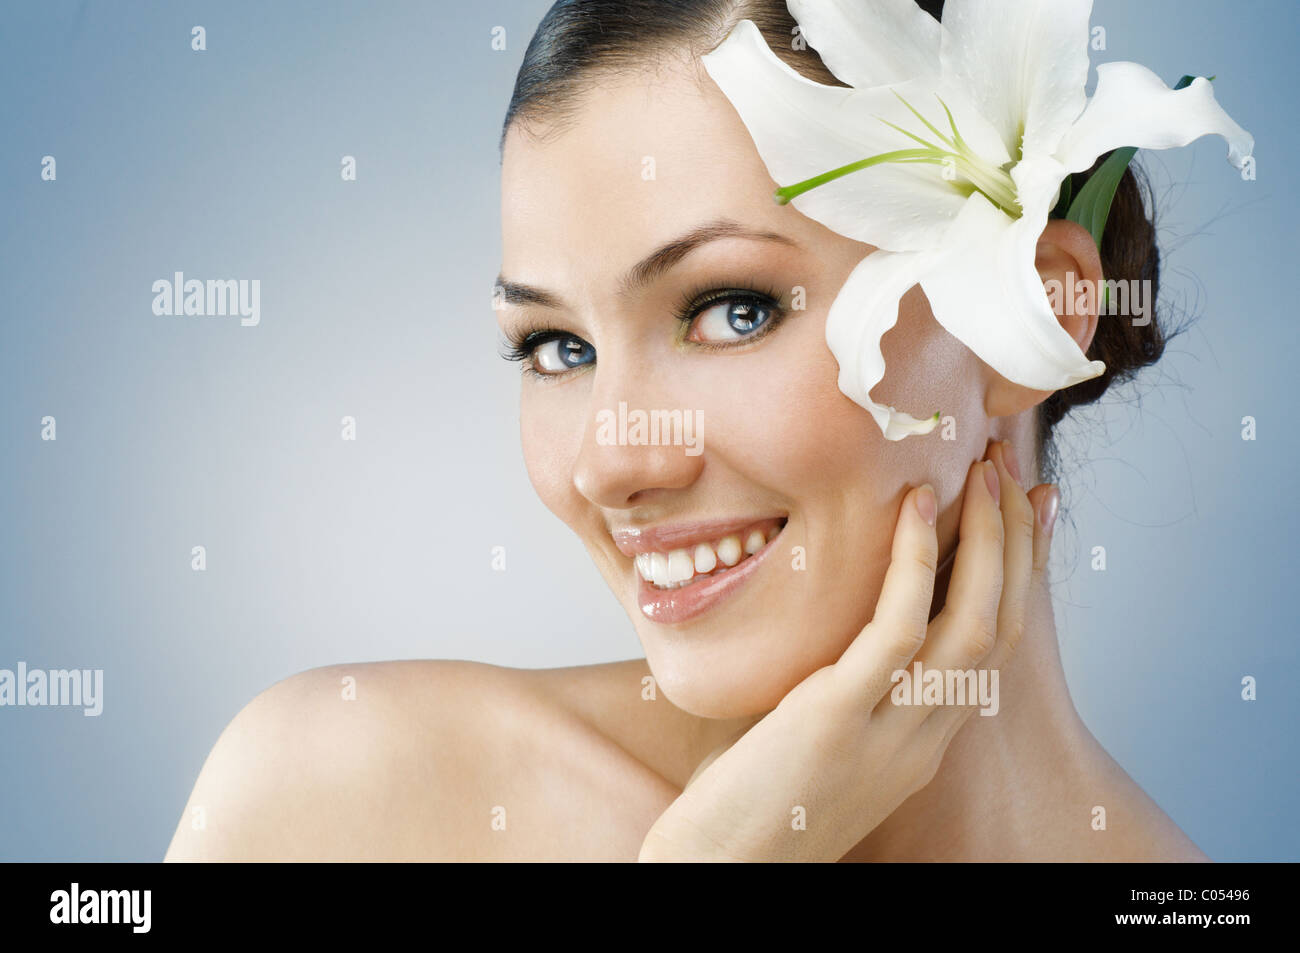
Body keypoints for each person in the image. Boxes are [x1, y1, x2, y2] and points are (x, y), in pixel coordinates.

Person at [166, 0, 1246, 861]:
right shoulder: (337, 799)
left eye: (732, 308)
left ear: (1026, 320)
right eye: (556, 347)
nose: (609, 462)